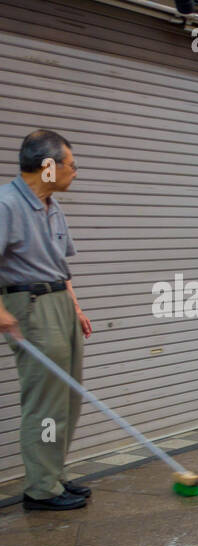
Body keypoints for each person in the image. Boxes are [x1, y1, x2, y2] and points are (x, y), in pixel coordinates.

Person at [0, 130, 94, 512]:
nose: (76, 172)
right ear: (49, 166)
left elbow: (60, 267)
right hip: (31, 305)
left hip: (58, 302)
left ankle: (52, 474)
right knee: (44, 401)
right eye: (72, 164)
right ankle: (41, 488)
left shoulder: (53, 207)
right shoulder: (6, 204)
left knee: (67, 398)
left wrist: (75, 306)